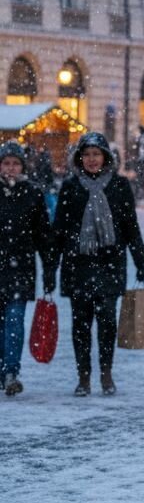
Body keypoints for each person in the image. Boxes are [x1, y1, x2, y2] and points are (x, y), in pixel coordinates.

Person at [50, 131, 144, 397]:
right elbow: (59, 229)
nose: (92, 159)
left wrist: (140, 259)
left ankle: (106, 372)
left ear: (106, 157)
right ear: (79, 158)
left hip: (110, 263)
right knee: (81, 325)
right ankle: (83, 377)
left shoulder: (119, 185)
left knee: (107, 322)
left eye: (96, 154)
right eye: (87, 155)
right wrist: (51, 266)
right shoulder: (70, 186)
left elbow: (130, 226)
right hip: (78, 264)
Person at [0, 141, 55, 396]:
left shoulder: (32, 194)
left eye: (15, 163)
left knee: (14, 321)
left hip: (20, 268)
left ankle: (11, 371)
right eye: (6, 163)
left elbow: (43, 235)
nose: (11, 168)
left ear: (23, 166)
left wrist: (49, 268)